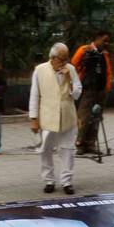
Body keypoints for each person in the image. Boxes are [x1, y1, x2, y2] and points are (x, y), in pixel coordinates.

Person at [29, 42, 82, 195]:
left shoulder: (70, 69)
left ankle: (66, 181)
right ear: (52, 57)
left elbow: (78, 92)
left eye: (66, 59)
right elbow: (34, 95)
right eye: (61, 59)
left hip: (67, 115)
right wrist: (33, 118)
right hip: (47, 115)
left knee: (67, 149)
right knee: (45, 149)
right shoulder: (40, 70)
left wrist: (69, 80)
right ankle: (49, 180)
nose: (64, 62)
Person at [72, 31, 112, 156]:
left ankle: (91, 143)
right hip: (88, 88)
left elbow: (108, 71)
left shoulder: (104, 54)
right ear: (97, 39)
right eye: (104, 40)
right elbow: (73, 65)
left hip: (101, 89)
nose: (106, 43)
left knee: (96, 118)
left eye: (107, 41)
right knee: (84, 116)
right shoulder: (84, 50)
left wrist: (107, 87)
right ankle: (80, 143)